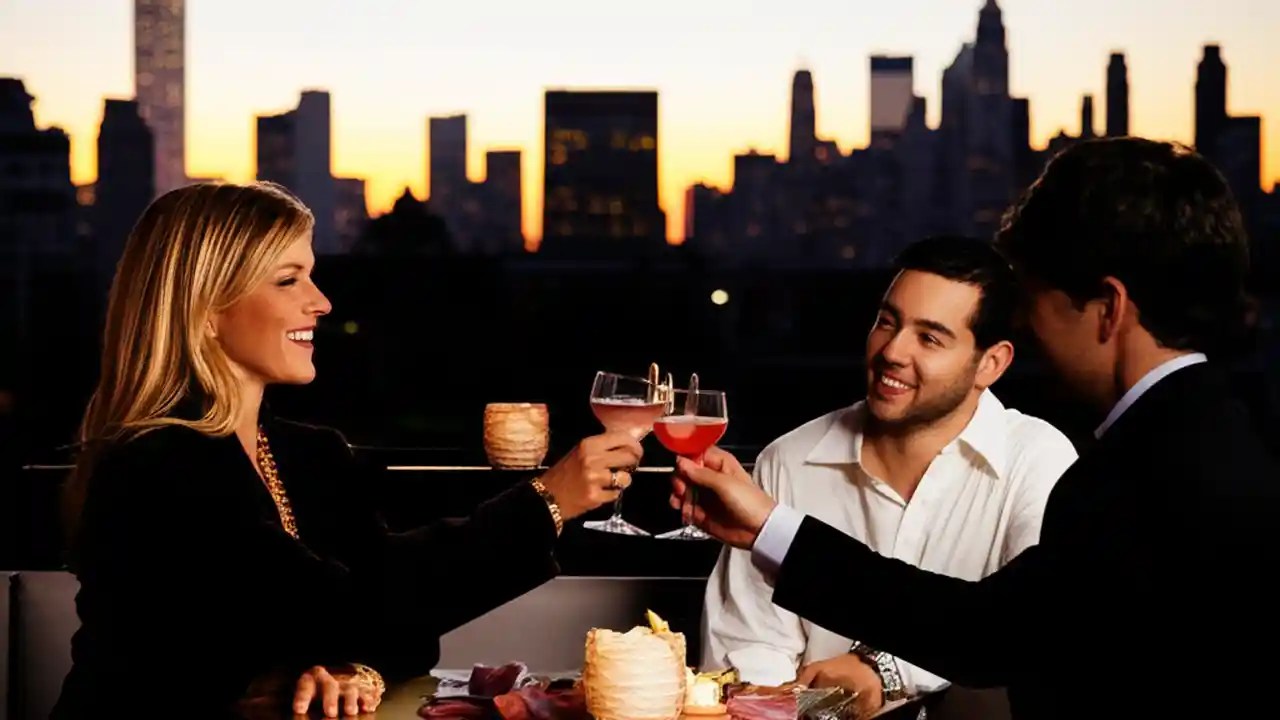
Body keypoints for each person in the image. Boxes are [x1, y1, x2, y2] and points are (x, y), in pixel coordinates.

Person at [671, 138, 1280, 720]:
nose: (1034, 327)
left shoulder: (1145, 471)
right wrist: (768, 526)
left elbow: (986, 632)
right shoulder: (1209, 435)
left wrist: (773, 530)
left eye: (1038, 299)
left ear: (1108, 308)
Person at [51, 182, 644, 719]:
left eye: (311, 274)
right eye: (288, 280)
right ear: (204, 313)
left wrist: (354, 670)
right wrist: (547, 501)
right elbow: (350, 608)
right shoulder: (153, 464)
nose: (321, 302)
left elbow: (403, 627)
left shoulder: (311, 455)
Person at [701, 237, 1077, 713]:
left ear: (991, 363)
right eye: (887, 322)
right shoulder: (787, 460)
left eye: (930, 338)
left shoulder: (1037, 459)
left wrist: (886, 670)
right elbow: (748, 649)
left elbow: (1032, 632)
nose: (892, 351)